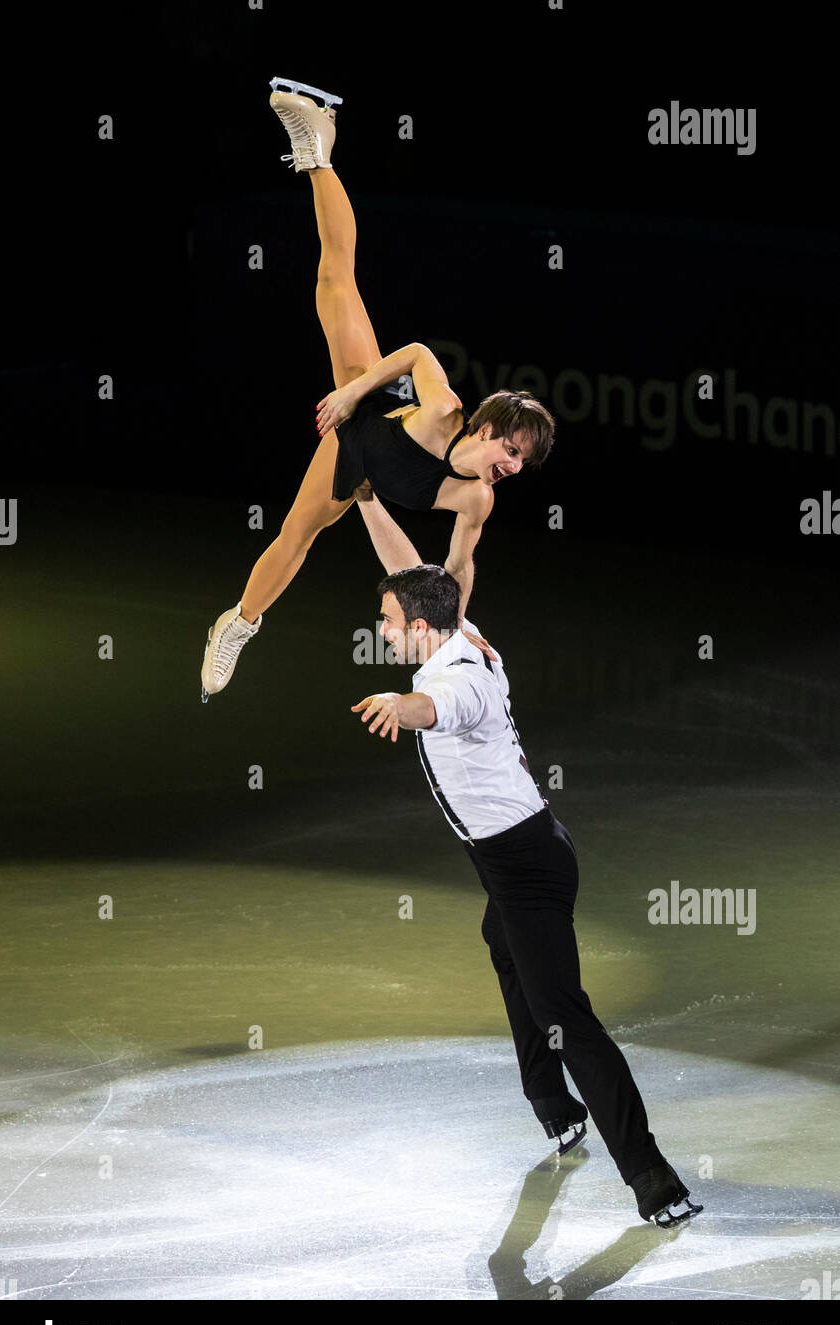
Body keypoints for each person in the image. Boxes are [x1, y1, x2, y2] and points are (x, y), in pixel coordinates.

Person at [348, 494, 704, 1227]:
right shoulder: (460, 632)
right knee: (500, 944)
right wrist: (366, 499)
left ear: (418, 628)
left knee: (564, 1015)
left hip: (527, 865)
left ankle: (653, 1178)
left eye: (387, 623)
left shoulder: (459, 678)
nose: (380, 630)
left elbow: (432, 708)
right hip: (518, 857)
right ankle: (551, 1104)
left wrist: (396, 700)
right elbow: (406, 568)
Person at [200, 76, 555, 702]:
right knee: (334, 278)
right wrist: (348, 394)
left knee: (298, 535)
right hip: (365, 414)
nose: (515, 467)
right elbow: (416, 353)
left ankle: (236, 623)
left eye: (523, 463)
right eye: (515, 452)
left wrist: (459, 622)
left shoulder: (477, 501)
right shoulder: (444, 409)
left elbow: (456, 568)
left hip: (359, 468)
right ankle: (318, 150)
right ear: (490, 430)